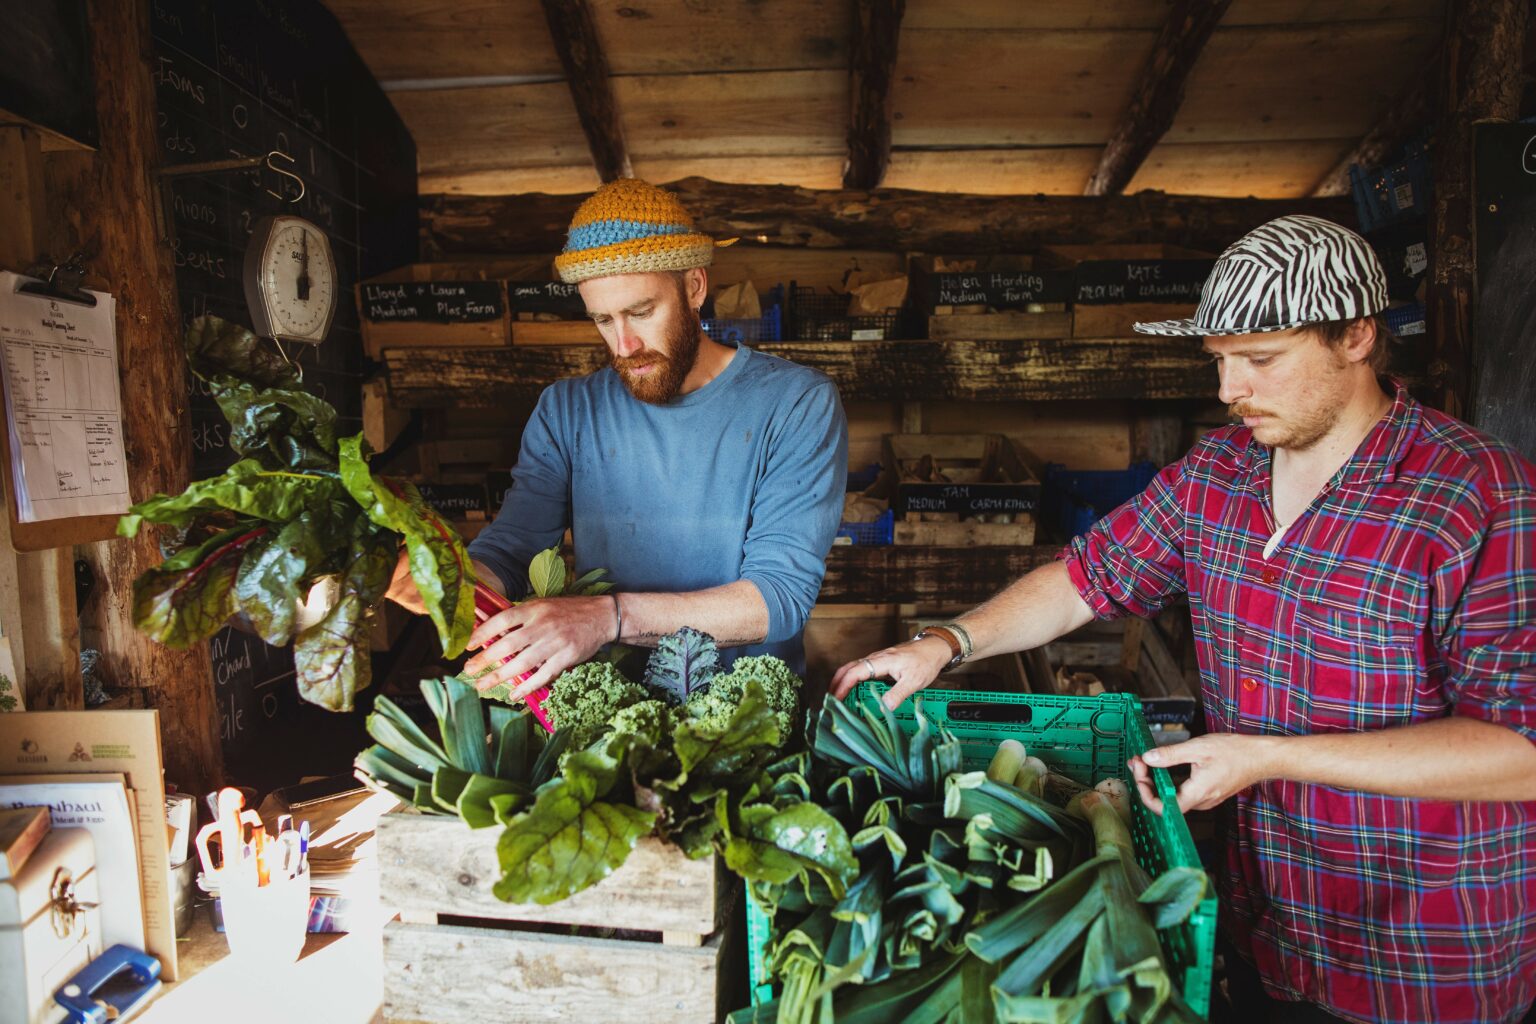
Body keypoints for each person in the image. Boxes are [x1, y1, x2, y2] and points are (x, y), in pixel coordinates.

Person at [832, 215, 1536, 1024]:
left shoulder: (1478, 496)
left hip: (1420, 956)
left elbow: (1520, 751)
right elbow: (1081, 579)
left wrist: (1268, 758)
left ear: (1357, 338)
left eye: (1261, 359)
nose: (1229, 388)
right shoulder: (1220, 473)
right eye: (1220, 360)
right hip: (1256, 925)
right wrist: (946, 644)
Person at [388, 178, 848, 698]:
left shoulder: (794, 403)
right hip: (604, 719)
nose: (625, 344)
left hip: (748, 720)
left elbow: (777, 597)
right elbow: (513, 550)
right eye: (603, 320)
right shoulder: (566, 411)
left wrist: (605, 619)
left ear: (695, 286)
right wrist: (450, 578)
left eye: (641, 311)